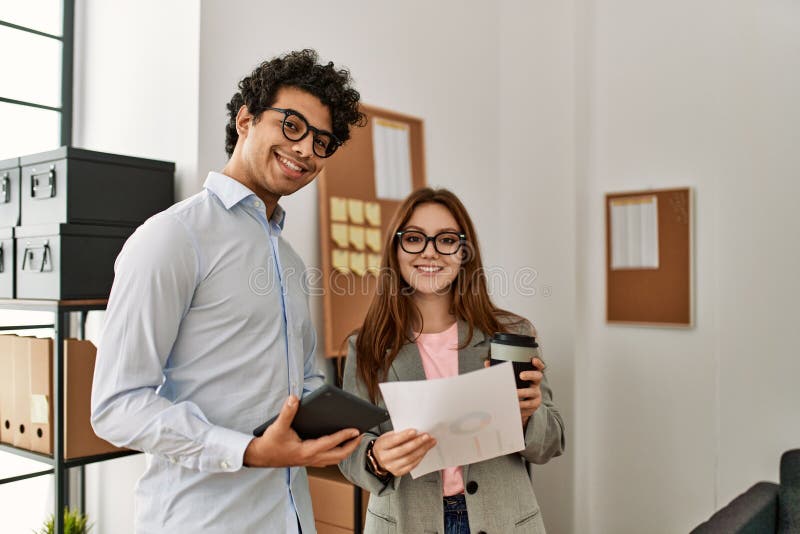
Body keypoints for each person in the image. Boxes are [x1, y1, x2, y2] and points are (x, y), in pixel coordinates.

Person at [91, 49, 366, 533]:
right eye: (293, 125)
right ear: (246, 120)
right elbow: (116, 406)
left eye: (322, 141)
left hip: (290, 518)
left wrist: (365, 433)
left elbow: (298, 388)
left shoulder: (290, 263)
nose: (306, 150)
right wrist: (244, 451)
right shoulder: (173, 236)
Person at [338, 188, 566, 533]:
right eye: (414, 238)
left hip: (502, 518)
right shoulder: (367, 345)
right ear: (395, 250)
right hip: (404, 521)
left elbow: (551, 443)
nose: (430, 252)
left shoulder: (510, 335)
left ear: (464, 252)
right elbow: (347, 450)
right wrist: (376, 458)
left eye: (446, 240)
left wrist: (527, 417)